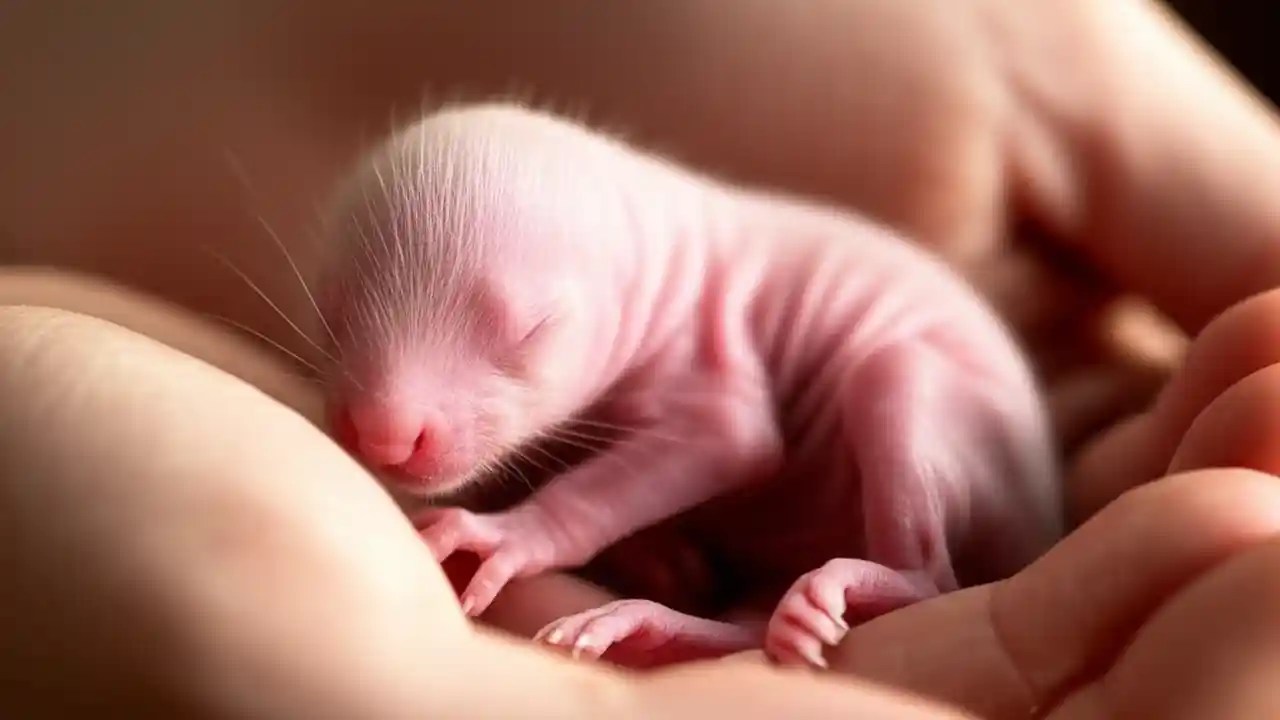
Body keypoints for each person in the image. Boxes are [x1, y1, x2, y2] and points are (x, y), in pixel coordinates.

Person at [4, 0, 1280, 717]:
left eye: (513, 338)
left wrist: (536, 534)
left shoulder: (687, 285)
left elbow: (732, 438)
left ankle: (912, 571)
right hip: (778, 522)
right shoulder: (611, 267)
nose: (383, 418)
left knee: (896, 370)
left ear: (607, 283)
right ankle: (708, 611)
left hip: (946, 461)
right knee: (671, 545)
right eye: (350, 327)